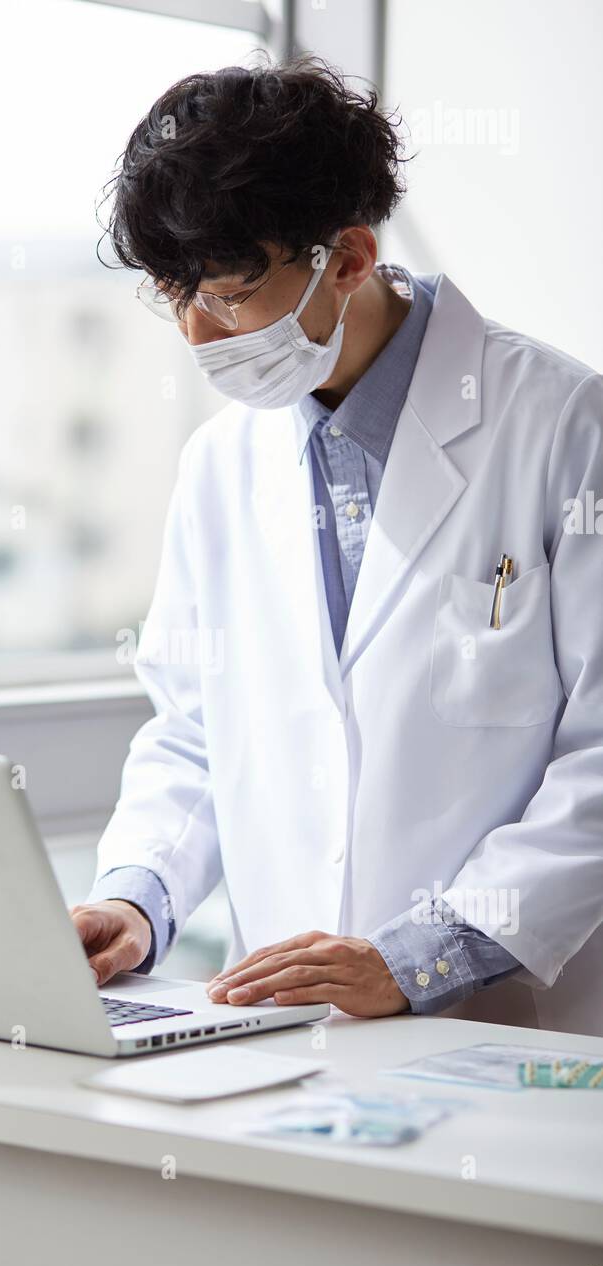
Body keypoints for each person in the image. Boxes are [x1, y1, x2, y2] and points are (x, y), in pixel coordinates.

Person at [70, 58, 603, 1033]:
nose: (195, 334)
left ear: (348, 258)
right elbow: (191, 734)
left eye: (225, 295)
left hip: (514, 1026)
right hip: (281, 1036)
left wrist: (420, 955)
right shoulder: (218, 466)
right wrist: (135, 897)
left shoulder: (563, 426)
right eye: (171, 294)